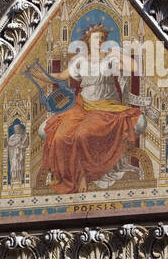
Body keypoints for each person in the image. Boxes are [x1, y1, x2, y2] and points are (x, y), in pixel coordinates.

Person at [39, 23, 145, 194]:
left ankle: (85, 175)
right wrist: (37, 74)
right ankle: (74, 175)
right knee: (60, 133)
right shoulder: (80, 61)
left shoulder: (110, 58)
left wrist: (118, 53)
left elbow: (135, 67)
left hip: (106, 106)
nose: (100, 41)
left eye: (102, 38)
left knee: (81, 133)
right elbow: (60, 76)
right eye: (96, 37)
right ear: (88, 40)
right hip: (83, 106)